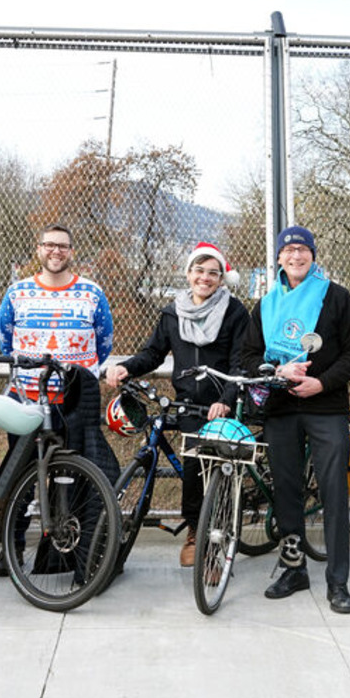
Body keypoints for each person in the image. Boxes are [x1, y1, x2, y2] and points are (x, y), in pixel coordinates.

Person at [240, 226, 350, 614]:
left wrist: (322, 383)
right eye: (289, 250)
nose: (296, 256)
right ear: (279, 258)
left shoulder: (337, 298)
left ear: (313, 256)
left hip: (325, 407)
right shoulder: (264, 305)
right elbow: (247, 356)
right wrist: (273, 372)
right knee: (287, 494)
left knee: (333, 491)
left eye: (303, 250)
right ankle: (294, 569)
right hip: (280, 409)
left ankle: (338, 581)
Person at [105, 242, 249, 567]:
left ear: (221, 278)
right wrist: (126, 367)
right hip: (188, 404)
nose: (205, 278)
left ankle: (211, 545)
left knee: (214, 472)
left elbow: (241, 363)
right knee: (194, 472)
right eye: (199, 270)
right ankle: (197, 531)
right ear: (188, 273)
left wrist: (226, 400)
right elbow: (153, 353)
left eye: (213, 273)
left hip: (223, 402)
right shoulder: (172, 312)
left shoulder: (235, 312)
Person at [0, 223, 116, 576]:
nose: (55, 251)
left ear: (71, 251)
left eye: (62, 246)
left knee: (74, 476)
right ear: (39, 249)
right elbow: (6, 340)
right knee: (21, 476)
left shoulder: (92, 294)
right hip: (27, 400)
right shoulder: (17, 294)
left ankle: (73, 550)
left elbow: (103, 342)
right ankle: (12, 548)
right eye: (49, 245)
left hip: (74, 402)